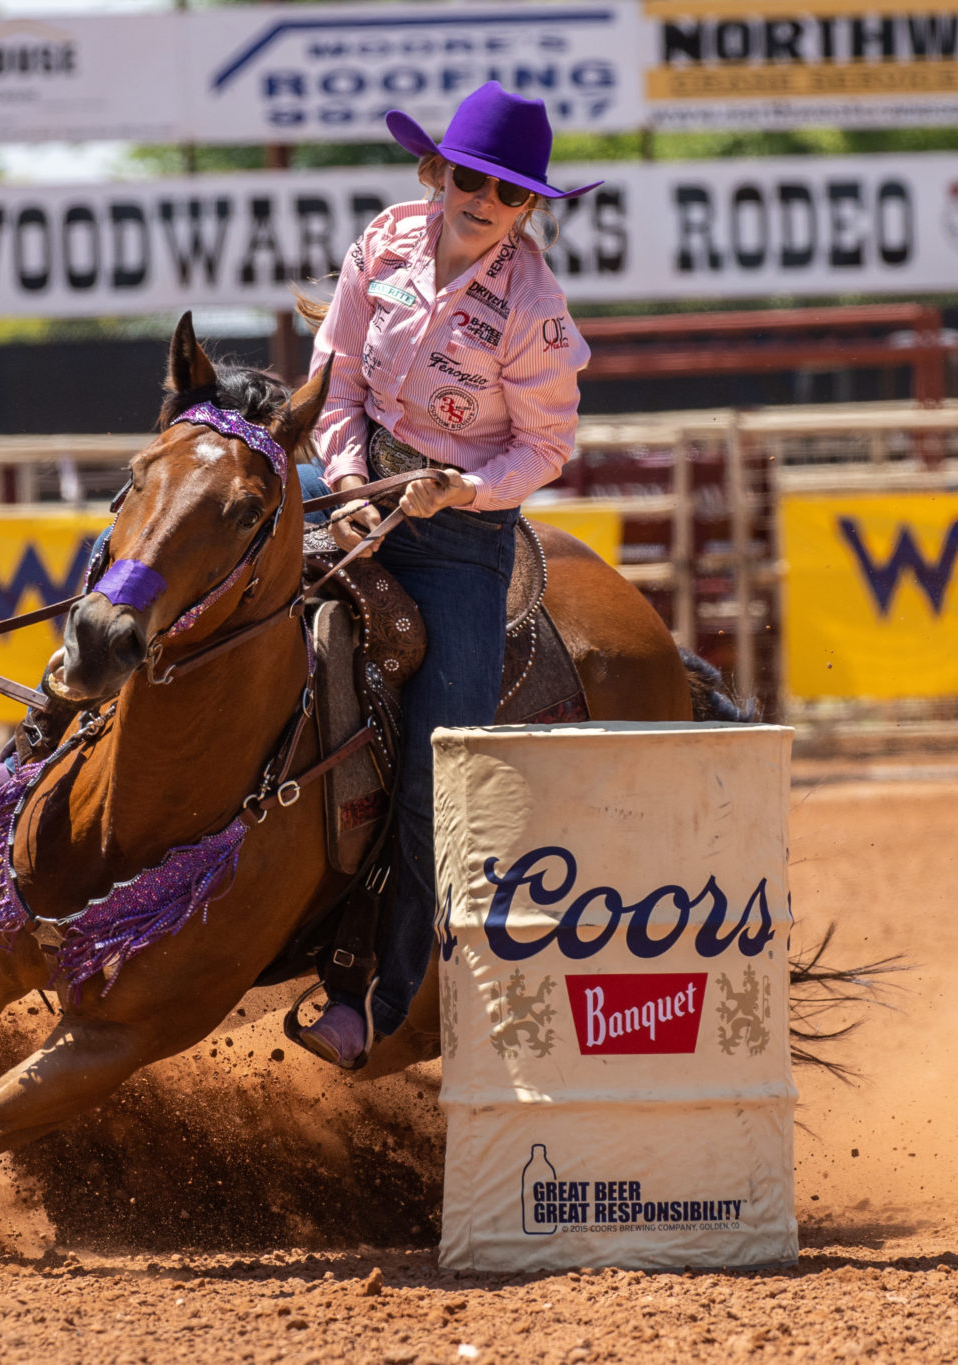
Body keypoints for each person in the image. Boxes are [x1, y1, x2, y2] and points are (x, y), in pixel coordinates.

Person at [294, 81, 598, 1068]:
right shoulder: (384, 241)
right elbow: (335, 377)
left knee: (441, 768)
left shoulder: (534, 310)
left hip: (458, 539)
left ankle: (373, 995)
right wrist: (347, 478)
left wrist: (460, 490)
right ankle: (36, 754)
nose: (484, 200)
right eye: (471, 178)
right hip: (350, 480)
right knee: (179, 528)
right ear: (438, 171)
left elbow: (544, 448)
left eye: (508, 192)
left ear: (527, 208)